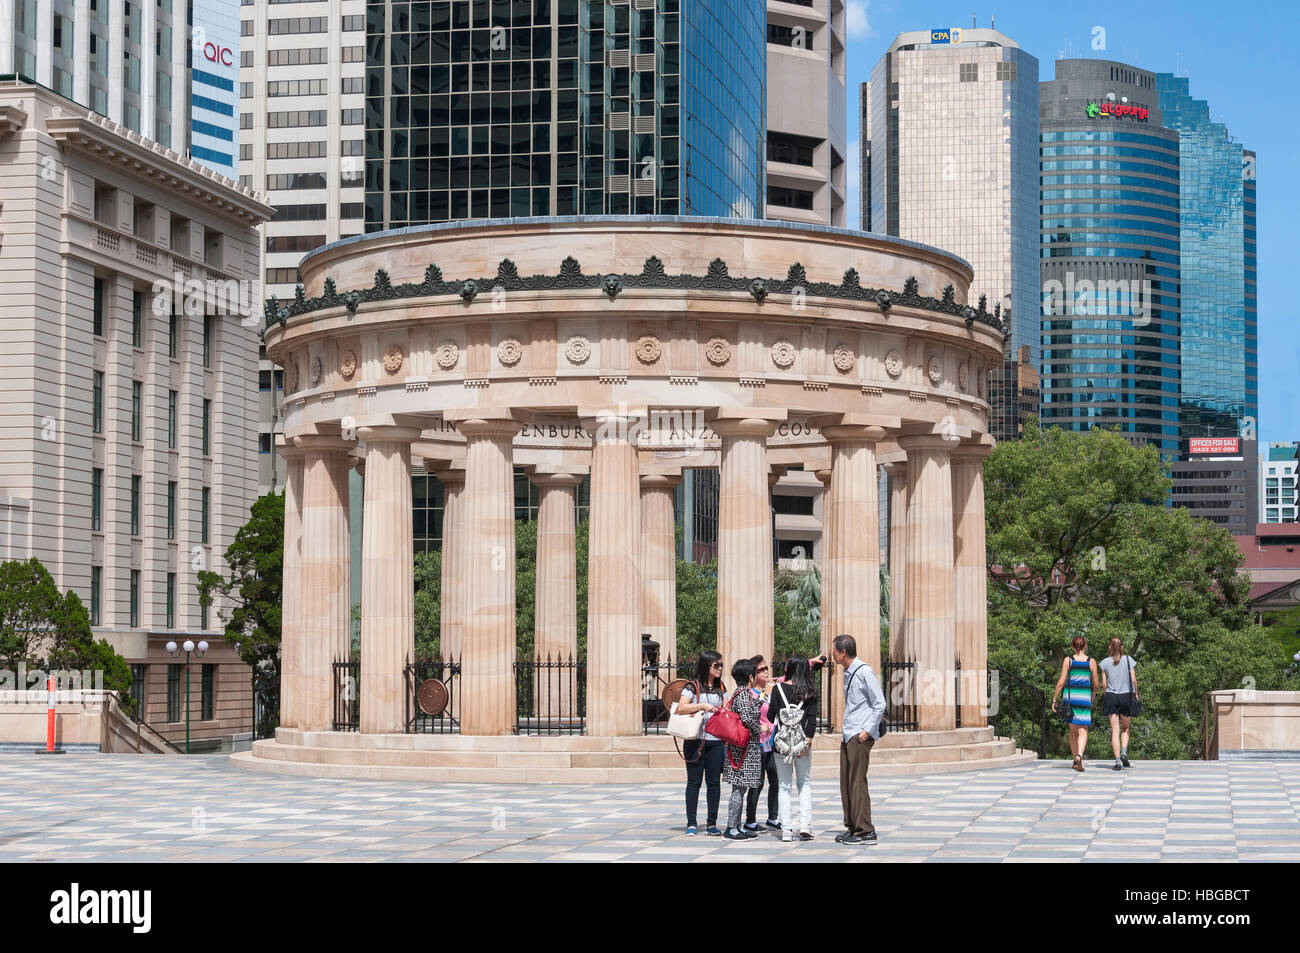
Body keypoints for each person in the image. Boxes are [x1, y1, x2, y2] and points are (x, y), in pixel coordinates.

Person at [831, 634, 886, 845]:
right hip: (849, 734)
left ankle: (866, 830)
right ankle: (853, 827)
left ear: (843, 652)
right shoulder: (848, 672)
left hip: (859, 735)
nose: (832, 655)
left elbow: (879, 703)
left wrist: (868, 731)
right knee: (846, 782)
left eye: (834, 651)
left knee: (857, 783)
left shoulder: (864, 672)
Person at [770, 656, 820, 842]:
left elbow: (770, 714)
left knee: (783, 786)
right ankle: (805, 824)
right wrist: (807, 741)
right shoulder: (809, 690)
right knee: (804, 782)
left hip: (781, 744)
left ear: (788, 669)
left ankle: (786, 829)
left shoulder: (777, 689)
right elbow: (813, 719)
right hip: (801, 743)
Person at [678, 651, 726, 836]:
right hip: (695, 740)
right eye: (717, 665)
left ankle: (711, 823)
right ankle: (691, 823)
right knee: (694, 783)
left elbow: (726, 706)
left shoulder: (721, 686)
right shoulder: (692, 686)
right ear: (707, 666)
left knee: (714, 783)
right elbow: (681, 707)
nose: (720, 668)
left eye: (721, 665)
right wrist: (702, 706)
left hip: (716, 741)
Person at [722, 657, 763, 840]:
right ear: (750, 676)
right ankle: (731, 828)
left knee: (740, 788)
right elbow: (746, 718)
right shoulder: (744, 694)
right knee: (738, 789)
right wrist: (760, 728)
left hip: (742, 749)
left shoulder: (739, 694)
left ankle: (737, 826)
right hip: (743, 750)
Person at [743, 654, 780, 833]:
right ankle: (750, 820)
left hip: (772, 741)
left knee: (775, 780)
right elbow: (752, 713)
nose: (766, 672)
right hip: (757, 743)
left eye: (766, 668)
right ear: (753, 674)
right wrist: (767, 693)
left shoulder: (771, 687)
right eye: (761, 669)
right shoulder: (751, 694)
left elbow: (790, 674)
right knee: (757, 782)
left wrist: (812, 662)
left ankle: (773, 817)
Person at [1051, 635, 1098, 772]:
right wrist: (1093, 696)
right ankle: (1079, 755)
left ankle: (1074, 760)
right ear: (1085, 645)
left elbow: (1061, 682)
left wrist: (1054, 699)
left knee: (1072, 730)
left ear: (1073, 646)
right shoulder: (1091, 661)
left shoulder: (1068, 660)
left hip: (1070, 699)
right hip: (1084, 697)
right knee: (1083, 729)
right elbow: (1096, 684)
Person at [1099, 637, 1138, 771]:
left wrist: (1107, 693)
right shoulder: (1128, 660)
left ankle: (1117, 762)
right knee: (1125, 728)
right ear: (1122, 647)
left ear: (1110, 647)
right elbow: (1133, 680)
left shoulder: (1104, 663)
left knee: (1114, 731)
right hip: (1125, 696)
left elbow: (1104, 684)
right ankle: (1124, 753)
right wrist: (1136, 694)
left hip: (1111, 697)